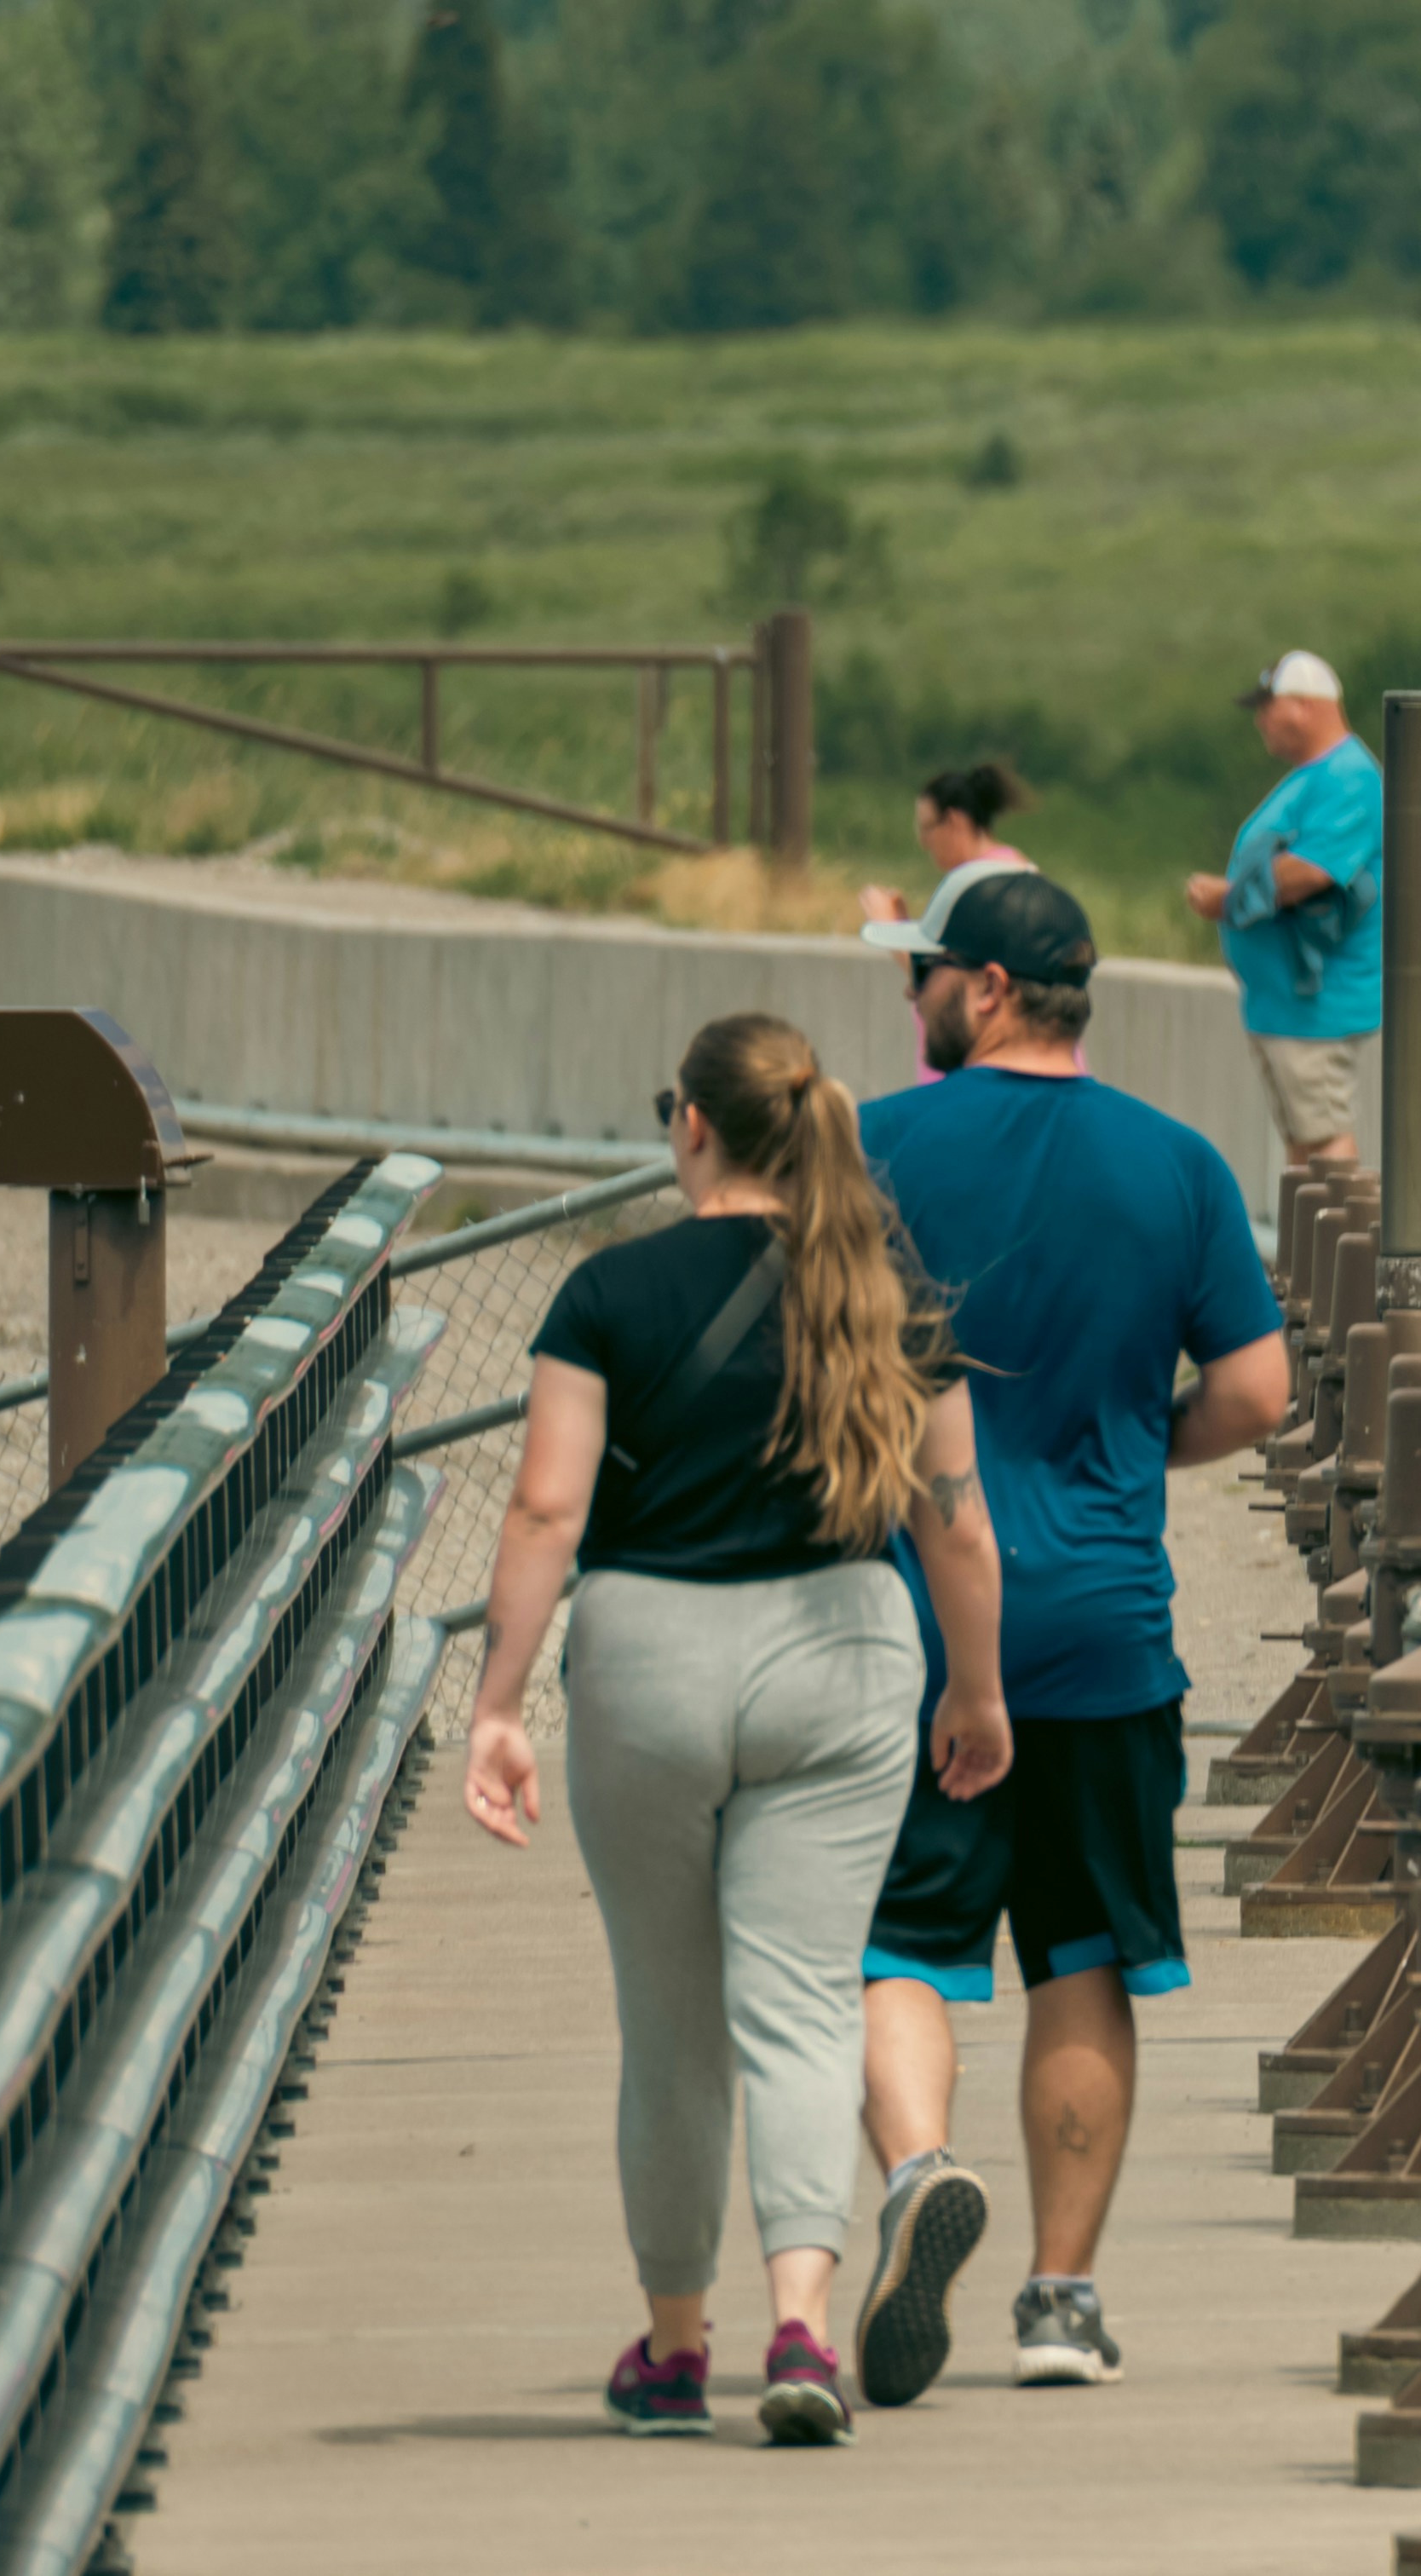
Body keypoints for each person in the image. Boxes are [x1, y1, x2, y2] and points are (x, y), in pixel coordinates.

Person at [461, 1012, 1014, 2448]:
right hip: (839, 1654)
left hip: (647, 1659)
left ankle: (673, 2342)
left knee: (670, 2022)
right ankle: (803, 2329)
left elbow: (544, 1510)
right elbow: (954, 1522)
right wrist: (978, 1688)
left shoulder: (608, 1292)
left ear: (691, 1126)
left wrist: (498, 1703)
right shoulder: (888, 1293)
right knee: (806, 2000)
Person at [838, 867, 1294, 2406]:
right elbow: (1257, 1392)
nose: (910, 1008)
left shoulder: (874, 1147)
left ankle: (913, 2176)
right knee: (1082, 1960)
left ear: (983, 989)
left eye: (921, 982)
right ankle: (1060, 2296)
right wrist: (1124, 1448)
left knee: (897, 1940)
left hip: (904, 1625)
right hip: (1103, 1626)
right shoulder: (1177, 1164)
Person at [1182, 650, 1380, 1170]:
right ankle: (1304, 1248)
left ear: (1305, 707)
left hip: (1316, 1002)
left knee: (1325, 1140)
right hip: (1287, 1001)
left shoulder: (1349, 776)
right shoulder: (1314, 776)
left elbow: (1313, 871)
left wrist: (1229, 898)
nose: (1260, 719)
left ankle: (1339, 1248)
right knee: (1305, 1139)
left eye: (1268, 706)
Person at [861, 765, 1037, 932]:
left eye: (928, 828)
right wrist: (902, 924)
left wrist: (885, 925)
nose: (924, 842)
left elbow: (941, 964)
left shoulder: (973, 885)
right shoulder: (1019, 866)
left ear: (954, 821)